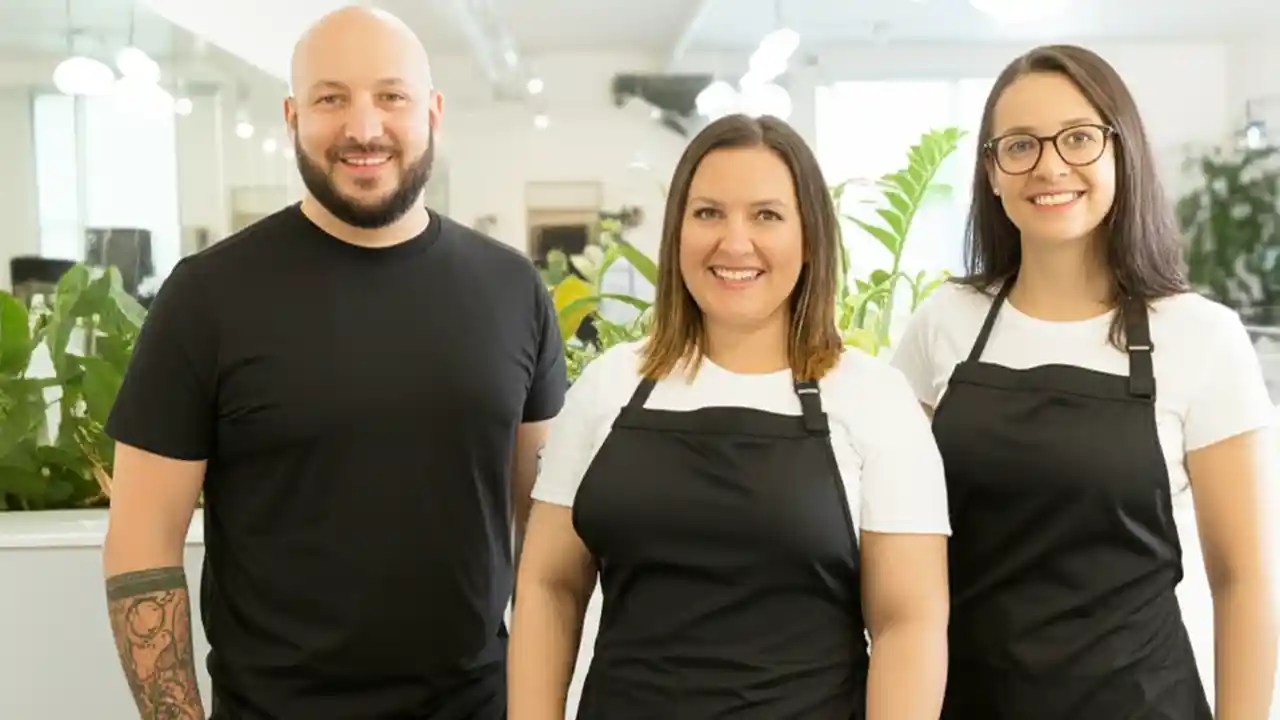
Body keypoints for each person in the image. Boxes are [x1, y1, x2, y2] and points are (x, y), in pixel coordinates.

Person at [101, 7, 565, 719]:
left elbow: (542, 531)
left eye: (391, 96)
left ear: (432, 111)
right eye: (331, 98)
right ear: (292, 115)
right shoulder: (207, 297)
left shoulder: (511, 289)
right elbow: (142, 543)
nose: (364, 127)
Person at [508, 113, 953, 719]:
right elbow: (549, 586)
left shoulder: (874, 401)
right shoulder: (609, 387)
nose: (734, 242)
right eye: (708, 213)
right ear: (678, 231)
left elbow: (909, 624)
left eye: (766, 215)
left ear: (810, 237)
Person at [891, 44, 1277, 719]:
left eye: (1078, 139)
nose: (1049, 167)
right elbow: (891, 536)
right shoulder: (944, 324)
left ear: (1120, 151)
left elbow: (1243, 581)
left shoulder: (1201, 336)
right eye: (1020, 146)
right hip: (970, 702)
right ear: (992, 170)